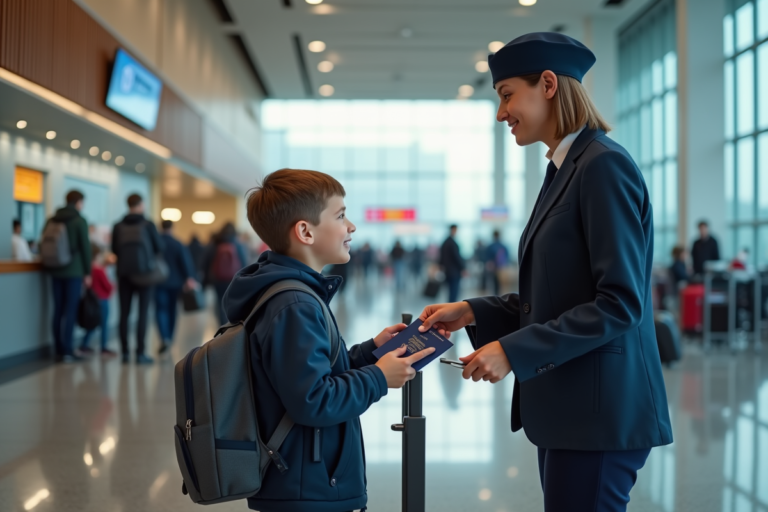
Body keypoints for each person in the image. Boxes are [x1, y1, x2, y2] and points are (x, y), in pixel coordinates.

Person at [418, 33, 672, 512]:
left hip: (599, 413)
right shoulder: (566, 168)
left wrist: (513, 352)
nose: (501, 113)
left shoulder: (603, 167)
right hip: (571, 407)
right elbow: (559, 296)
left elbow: (619, 303)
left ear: (549, 84)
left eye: (507, 94)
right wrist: (474, 311)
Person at [223, 168, 433, 512]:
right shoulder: (294, 304)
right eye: (340, 215)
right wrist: (379, 377)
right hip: (308, 488)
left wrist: (370, 353)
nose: (351, 226)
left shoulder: (291, 294)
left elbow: (308, 372)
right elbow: (313, 400)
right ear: (305, 231)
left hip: (301, 479)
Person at [112, 194, 163, 364]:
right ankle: (140, 353)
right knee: (143, 313)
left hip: (124, 274)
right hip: (144, 275)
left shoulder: (118, 226)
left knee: (124, 314)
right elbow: (158, 247)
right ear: (141, 205)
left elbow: (114, 249)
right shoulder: (148, 225)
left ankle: (125, 353)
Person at [46, 190, 92, 362]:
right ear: (78, 202)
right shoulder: (79, 220)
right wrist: (88, 272)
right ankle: (67, 350)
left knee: (57, 310)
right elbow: (85, 248)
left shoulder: (52, 219)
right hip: (73, 272)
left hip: (54, 270)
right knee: (70, 310)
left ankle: (58, 349)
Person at [155, 220, 197, 354]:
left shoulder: (156, 243)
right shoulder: (177, 243)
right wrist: (189, 278)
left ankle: (164, 337)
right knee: (172, 309)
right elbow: (185, 262)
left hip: (158, 282)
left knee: (160, 309)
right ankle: (170, 337)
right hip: (175, 283)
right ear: (172, 228)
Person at [203, 222, 248, 325]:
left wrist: (205, 280)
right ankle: (230, 324)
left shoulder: (215, 243)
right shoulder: (236, 244)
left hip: (217, 279)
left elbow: (206, 261)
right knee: (232, 302)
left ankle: (221, 324)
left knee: (219, 302)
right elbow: (244, 262)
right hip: (234, 278)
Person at [79, 244, 116, 357]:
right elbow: (108, 286)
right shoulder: (99, 270)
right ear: (97, 255)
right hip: (103, 300)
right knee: (104, 325)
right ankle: (104, 347)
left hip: (91, 300)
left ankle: (84, 345)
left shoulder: (87, 270)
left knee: (92, 324)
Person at [439, 224, 464, 303]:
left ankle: (450, 309)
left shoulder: (445, 242)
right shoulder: (452, 243)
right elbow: (456, 257)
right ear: (453, 230)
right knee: (454, 292)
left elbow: (441, 257)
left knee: (450, 292)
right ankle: (452, 310)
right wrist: (462, 268)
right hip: (454, 271)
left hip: (447, 271)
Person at [485, 230, 510, 296]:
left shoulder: (490, 246)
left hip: (493, 267)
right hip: (501, 267)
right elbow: (507, 257)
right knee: (500, 283)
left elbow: (487, 258)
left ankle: (495, 295)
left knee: (494, 282)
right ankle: (500, 295)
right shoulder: (503, 246)